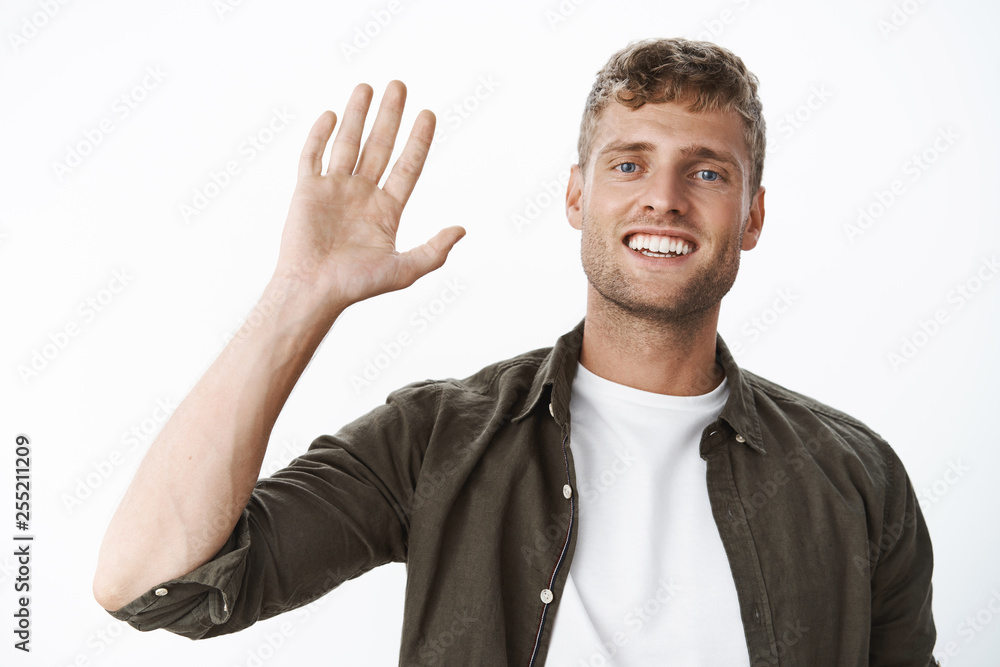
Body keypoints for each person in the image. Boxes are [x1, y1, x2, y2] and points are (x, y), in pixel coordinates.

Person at [93, 38, 938, 665]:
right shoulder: (439, 438)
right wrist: (299, 295)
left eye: (708, 173)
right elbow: (146, 579)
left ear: (752, 216)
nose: (664, 199)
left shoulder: (857, 478)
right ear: (577, 195)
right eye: (629, 163)